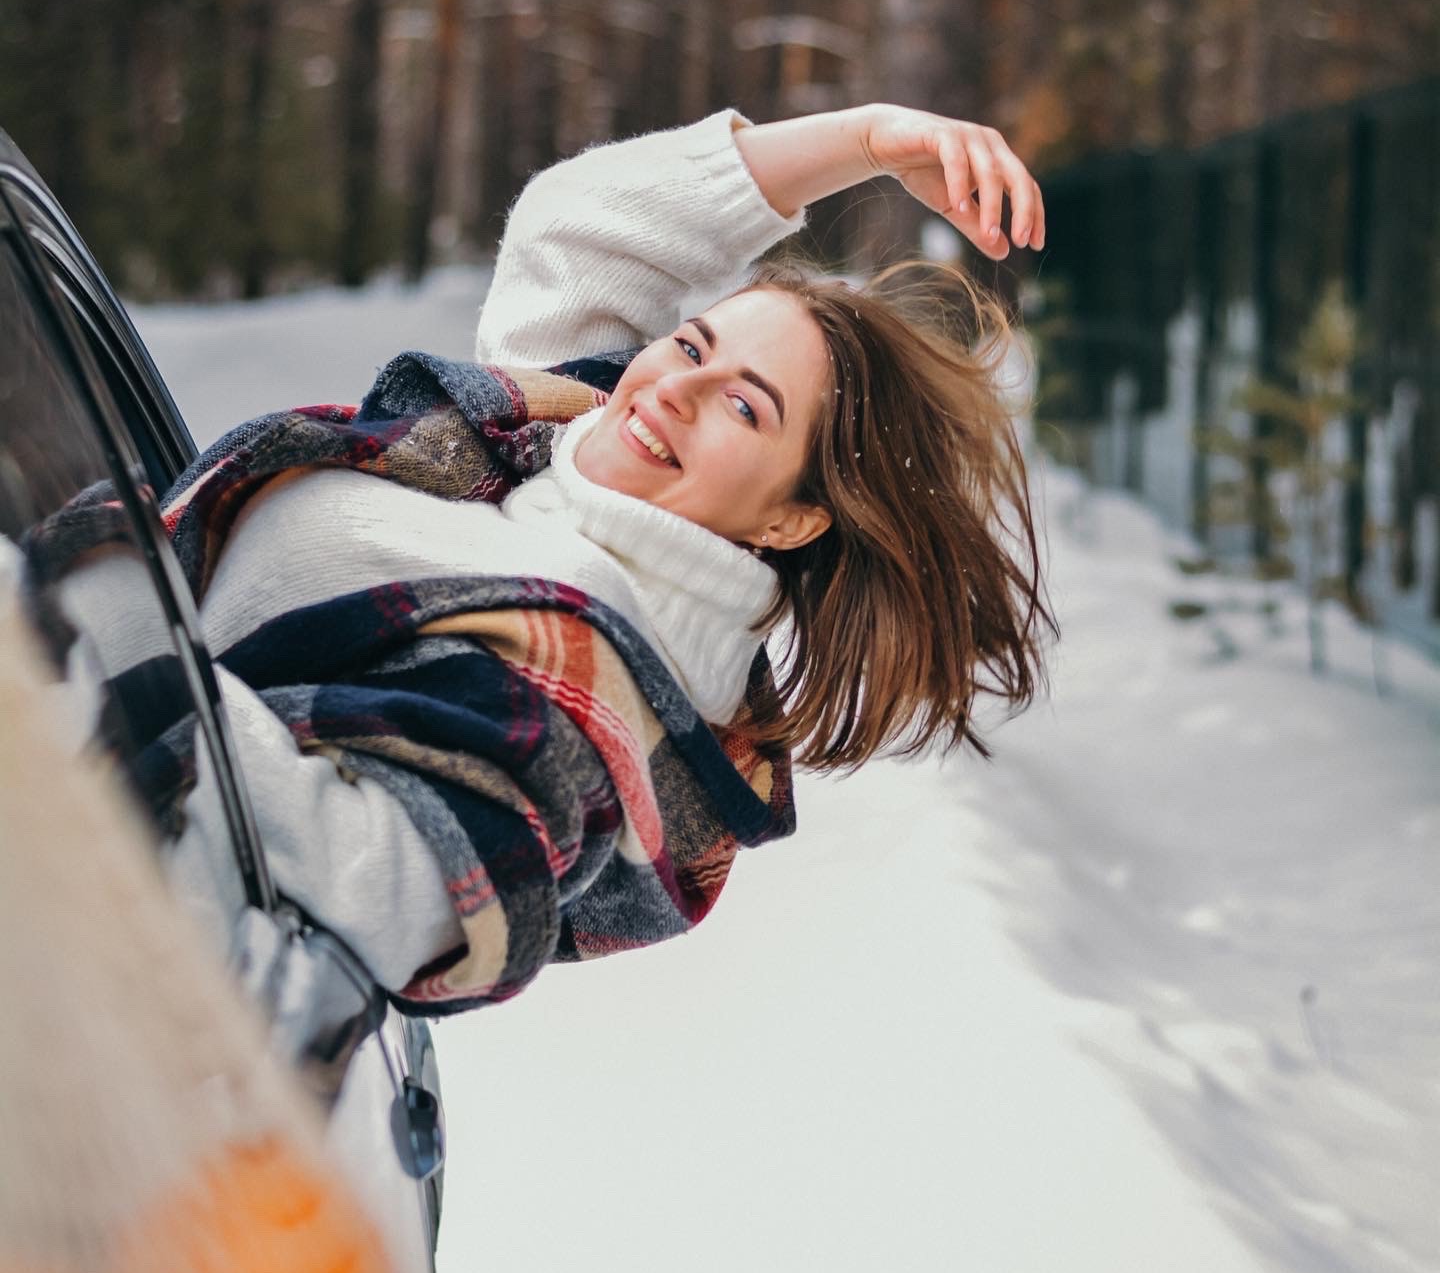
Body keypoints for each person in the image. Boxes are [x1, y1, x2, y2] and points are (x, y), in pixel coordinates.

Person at [36, 104, 1055, 1010]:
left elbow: (404, 888)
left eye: (746, 406)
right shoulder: (557, 453)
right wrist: (865, 140)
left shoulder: (585, 682)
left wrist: (66, 683)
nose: (672, 390)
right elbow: (579, 226)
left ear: (793, 520)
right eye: (694, 344)